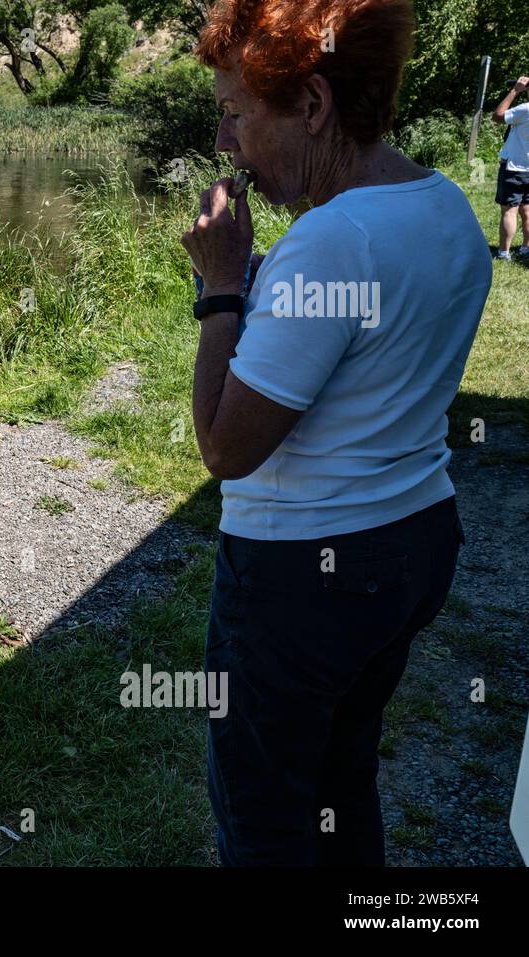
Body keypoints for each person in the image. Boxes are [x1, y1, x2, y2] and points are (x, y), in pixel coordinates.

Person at [180, 0, 492, 866]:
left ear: (312, 107)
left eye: (237, 113)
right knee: (341, 781)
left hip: (300, 579)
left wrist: (220, 288)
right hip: (410, 546)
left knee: (265, 819)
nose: (224, 142)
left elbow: (225, 447)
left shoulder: (330, 242)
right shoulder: (449, 215)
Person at [494, 76, 529, 261]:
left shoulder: (525, 110)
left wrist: (515, 90)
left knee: (510, 210)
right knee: (528, 210)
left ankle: (504, 253)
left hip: (516, 168)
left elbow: (498, 116)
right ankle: (525, 248)